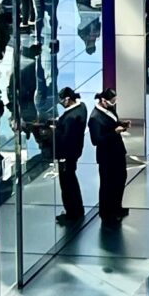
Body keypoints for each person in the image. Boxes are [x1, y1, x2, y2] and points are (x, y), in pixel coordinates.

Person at [89, 88, 129, 222]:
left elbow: (113, 123)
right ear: (103, 101)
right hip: (107, 157)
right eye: (112, 101)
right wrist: (115, 132)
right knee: (108, 184)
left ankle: (117, 207)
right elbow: (96, 140)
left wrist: (121, 124)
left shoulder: (110, 110)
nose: (114, 103)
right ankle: (107, 213)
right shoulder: (95, 118)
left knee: (120, 180)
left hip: (117, 152)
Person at [52, 87, 89, 225]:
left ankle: (72, 213)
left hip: (66, 155)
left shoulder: (70, 118)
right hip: (75, 152)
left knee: (67, 184)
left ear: (67, 99)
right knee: (72, 181)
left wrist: (55, 131)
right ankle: (77, 210)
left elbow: (64, 139)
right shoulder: (82, 107)